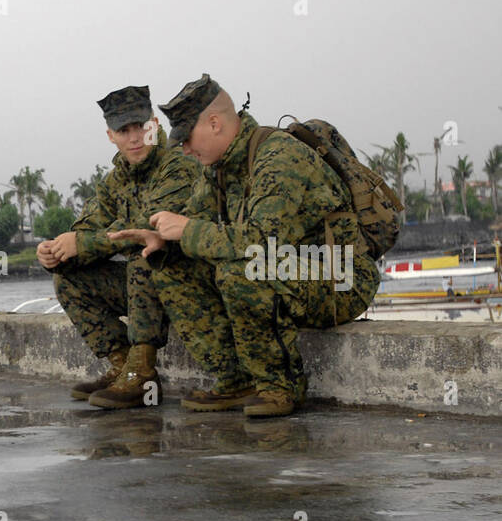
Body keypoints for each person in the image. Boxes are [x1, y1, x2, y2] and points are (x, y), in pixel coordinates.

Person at [110, 74, 380, 418]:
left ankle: (280, 387)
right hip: (288, 271)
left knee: (242, 268)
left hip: (339, 275)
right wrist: (162, 240)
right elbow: (198, 225)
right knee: (169, 264)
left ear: (214, 124)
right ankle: (236, 379)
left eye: (189, 140)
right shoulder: (219, 168)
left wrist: (188, 229)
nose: (186, 150)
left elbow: (259, 242)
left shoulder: (278, 158)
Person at [37, 86, 200, 409]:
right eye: (124, 130)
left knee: (145, 255)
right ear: (111, 136)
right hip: (149, 293)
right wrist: (55, 250)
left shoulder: (177, 164)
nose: (135, 137)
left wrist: (81, 243)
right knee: (69, 275)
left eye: (141, 126)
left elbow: (148, 228)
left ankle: (141, 372)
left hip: (191, 284)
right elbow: (88, 225)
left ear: (155, 123)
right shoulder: (116, 180)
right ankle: (123, 364)